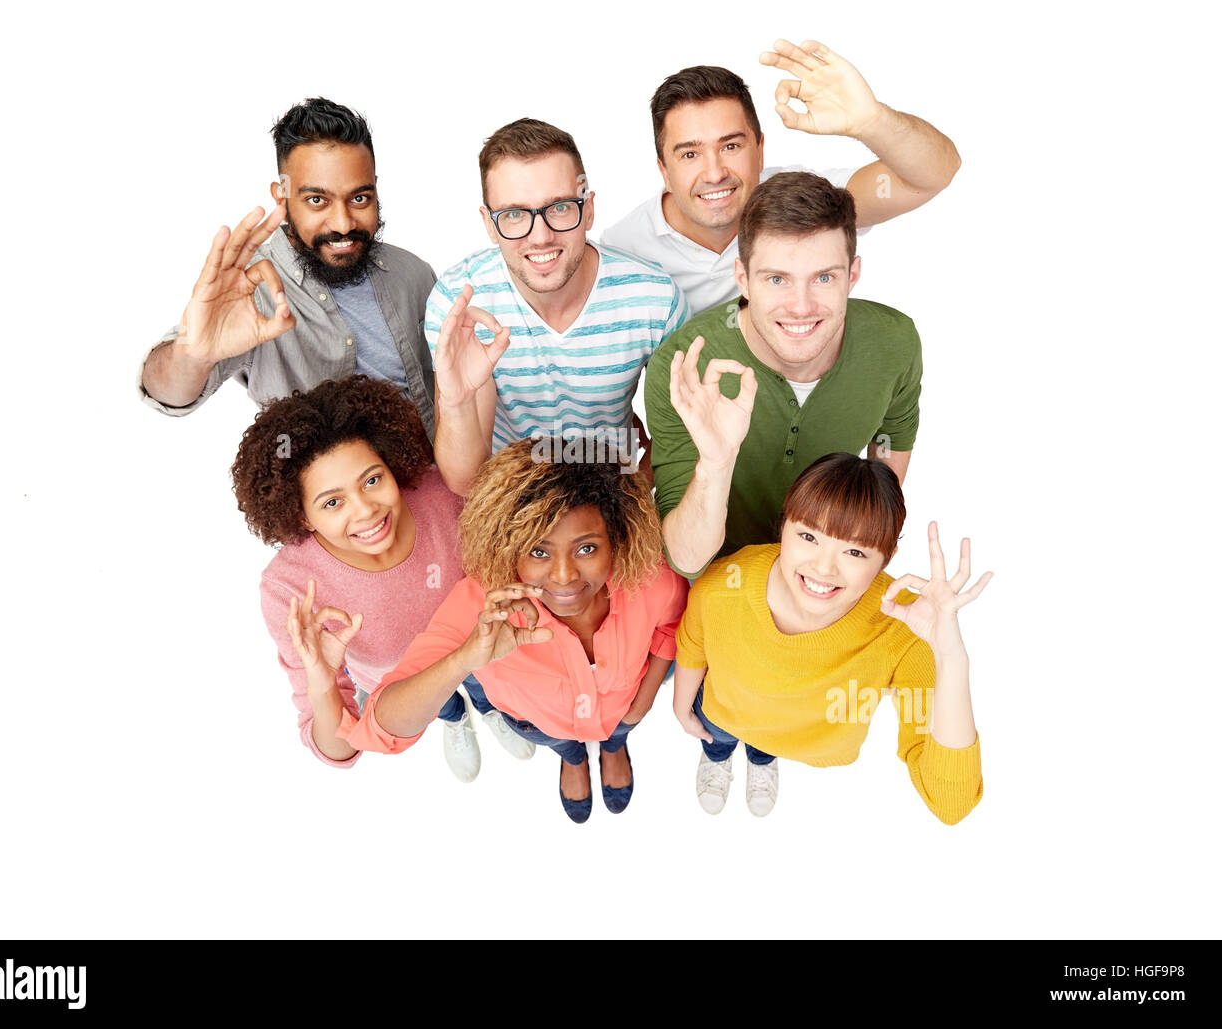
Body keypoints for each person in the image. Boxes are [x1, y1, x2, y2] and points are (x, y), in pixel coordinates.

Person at [336, 437, 688, 823]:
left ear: (615, 539)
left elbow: (670, 630)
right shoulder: (480, 604)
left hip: (623, 711)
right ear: (509, 547)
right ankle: (572, 758)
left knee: (616, 733)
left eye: (586, 548)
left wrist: (639, 708)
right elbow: (380, 728)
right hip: (539, 724)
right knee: (564, 746)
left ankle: (613, 747)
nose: (564, 575)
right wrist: (466, 658)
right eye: (538, 552)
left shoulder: (651, 580)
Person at [230, 375, 535, 777]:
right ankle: (455, 719)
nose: (366, 510)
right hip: (401, 678)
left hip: (482, 648)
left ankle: (487, 707)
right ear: (303, 516)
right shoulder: (289, 588)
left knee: (480, 683)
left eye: (372, 480)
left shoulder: (444, 494)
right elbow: (341, 751)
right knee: (442, 700)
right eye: (333, 502)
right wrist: (321, 682)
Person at [671, 452, 990, 823]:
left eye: (855, 550)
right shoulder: (725, 583)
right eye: (808, 535)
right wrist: (681, 707)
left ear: (886, 558)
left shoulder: (904, 626)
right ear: (783, 525)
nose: (823, 568)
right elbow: (694, 641)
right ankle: (718, 757)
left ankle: (762, 758)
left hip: (804, 741)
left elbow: (951, 805)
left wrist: (950, 656)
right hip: (722, 716)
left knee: (762, 749)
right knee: (718, 741)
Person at [646, 169, 921, 578]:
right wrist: (716, 463)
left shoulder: (894, 342)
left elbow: (892, 442)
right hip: (720, 591)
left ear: (853, 275)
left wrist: (872, 540)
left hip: (828, 580)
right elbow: (687, 561)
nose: (800, 306)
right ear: (742, 279)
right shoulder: (687, 367)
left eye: (824, 278)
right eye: (777, 279)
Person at [140, 98, 438, 436]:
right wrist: (192, 355)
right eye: (317, 200)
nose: (342, 223)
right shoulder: (249, 286)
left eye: (359, 198)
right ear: (281, 197)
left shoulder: (414, 275)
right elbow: (169, 394)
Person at [425, 118, 690, 495]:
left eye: (561, 208)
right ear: (489, 224)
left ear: (588, 210)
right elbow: (465, 482)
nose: (541, 236)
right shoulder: (459, 306)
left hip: (613, 492)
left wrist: (635, 491)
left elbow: (676, 445)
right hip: (507, 497)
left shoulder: (655, 301)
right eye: (514, 214)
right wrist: (458, 403)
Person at [602, 41, 961, 314]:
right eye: (690, 154)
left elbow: (929, 176)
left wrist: (872, 122)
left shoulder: (804, 198)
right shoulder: (623, 248)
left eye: (730, 146)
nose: (714, 174)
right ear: (663, 170)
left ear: (760, 150)